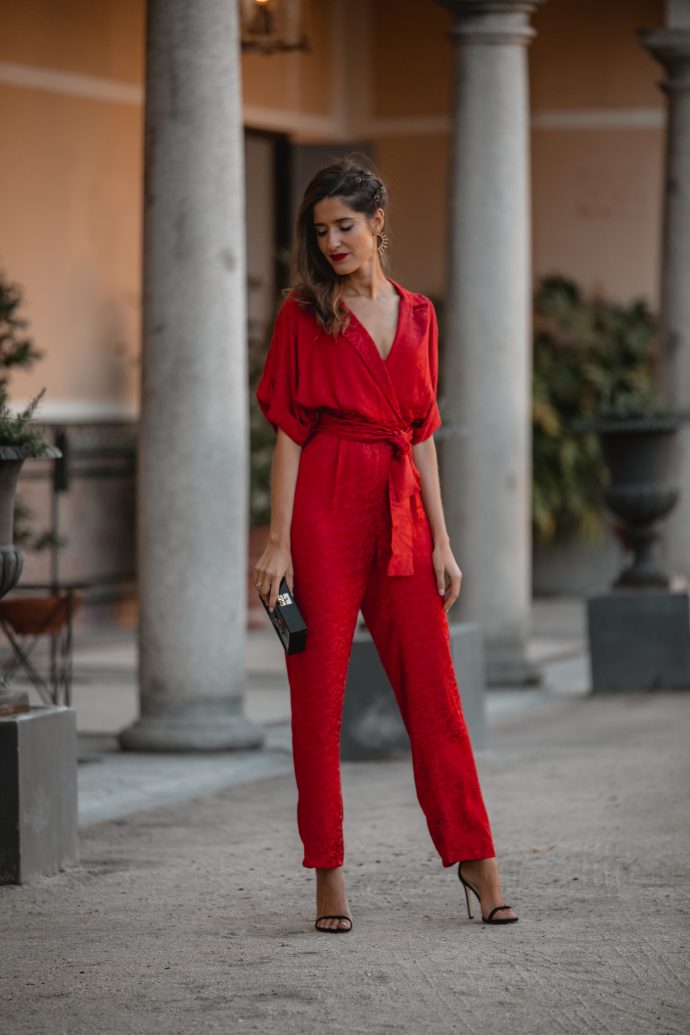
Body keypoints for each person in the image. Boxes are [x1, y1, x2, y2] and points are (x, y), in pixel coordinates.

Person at [254, 155, 518, 934]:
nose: (332, 242)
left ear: (377, 222)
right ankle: (328, 870)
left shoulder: (421, 316)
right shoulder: (304, 315)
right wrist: (277, 544)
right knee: (317, 696)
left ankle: (477, 856)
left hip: (402, 511)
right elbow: (288, 434)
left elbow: (423, 434)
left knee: (436, 692)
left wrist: (444, 541)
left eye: (344, 226)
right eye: (320, 230)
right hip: (325, 506)